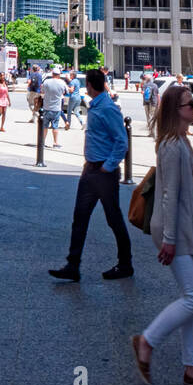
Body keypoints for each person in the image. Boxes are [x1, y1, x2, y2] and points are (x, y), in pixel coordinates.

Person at [132, 84, 193, 385]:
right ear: (176, 111)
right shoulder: (172, 146)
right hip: (174, 231)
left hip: (186, 230)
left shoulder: (182, 141)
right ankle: (147, 341)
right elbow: (170, 196)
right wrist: (171, 239)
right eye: (190, 104)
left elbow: (190, 192)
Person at [50, 68, 132, 283]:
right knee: (80, 217)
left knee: (113, 219)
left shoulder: (107, 108)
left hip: (103, 172)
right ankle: (72, 264)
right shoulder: (97, 105)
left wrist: (109, 165)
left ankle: (125, 263)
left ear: (89, 85)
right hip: (91, 170)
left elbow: (121, 140)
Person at [38, 67, 68, 148]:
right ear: (59, 75)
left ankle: (42, 143)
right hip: (56, 108)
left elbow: (42, 91)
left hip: (46, 107)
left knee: (45, 126)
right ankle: (55, 143)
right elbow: (65, 92)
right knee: (55, 126)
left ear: (52, 74)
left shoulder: (46, 82)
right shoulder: (62, 83)